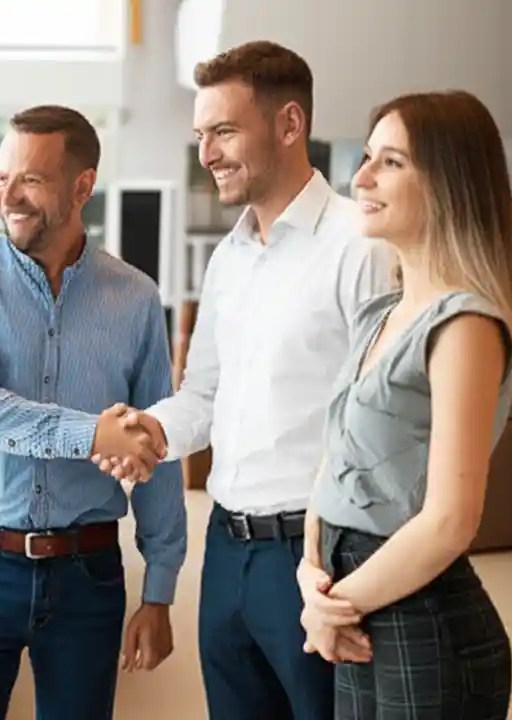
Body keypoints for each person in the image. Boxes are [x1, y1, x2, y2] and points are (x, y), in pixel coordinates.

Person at [94, 41, 395, 719]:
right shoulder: (229, 258)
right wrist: (150, 430)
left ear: (290, 125)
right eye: (201, 135)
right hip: (226, 552)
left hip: (318, 557)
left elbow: (384, 426)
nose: (207, 154)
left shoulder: (362, 246)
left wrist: (336, 562)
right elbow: (205, 394)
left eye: (224, 131)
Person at [0, 104, 186, 720]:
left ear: (82, 186)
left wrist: (160, 592)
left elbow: (156, 444)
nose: (9, 196)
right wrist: (88, 432)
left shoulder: (135, 298)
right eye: (0, 177)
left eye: (31, 180)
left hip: (87, 573)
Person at [300, 90, 512, 719]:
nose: (361, 177)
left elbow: (450, 521)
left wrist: (333, 606)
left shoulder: (465, 326)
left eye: (390, 162)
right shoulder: (380, 314)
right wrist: (310, 579)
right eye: (367, 157)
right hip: (355, 600)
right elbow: (333, 463)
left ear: (448, 182)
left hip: (423, 619)